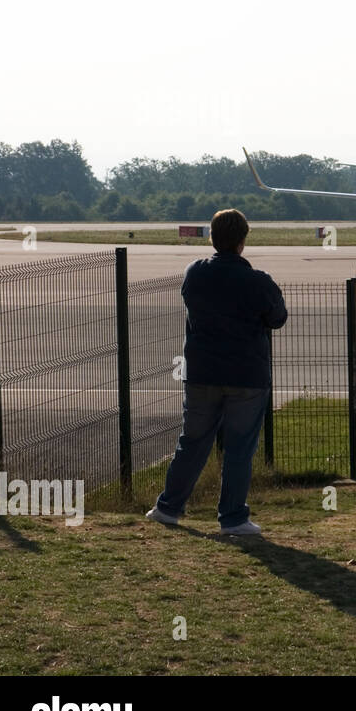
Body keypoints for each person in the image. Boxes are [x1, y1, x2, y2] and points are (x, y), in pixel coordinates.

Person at [146, 209, 287, 535]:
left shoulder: (195, 273)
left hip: (201, 372)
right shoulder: (257, 281)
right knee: (239, 449)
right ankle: (233, 518)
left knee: (192, 442)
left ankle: (168, 507)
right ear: (242, 241)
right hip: (245, 375)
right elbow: (277, 318)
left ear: (212, 237)